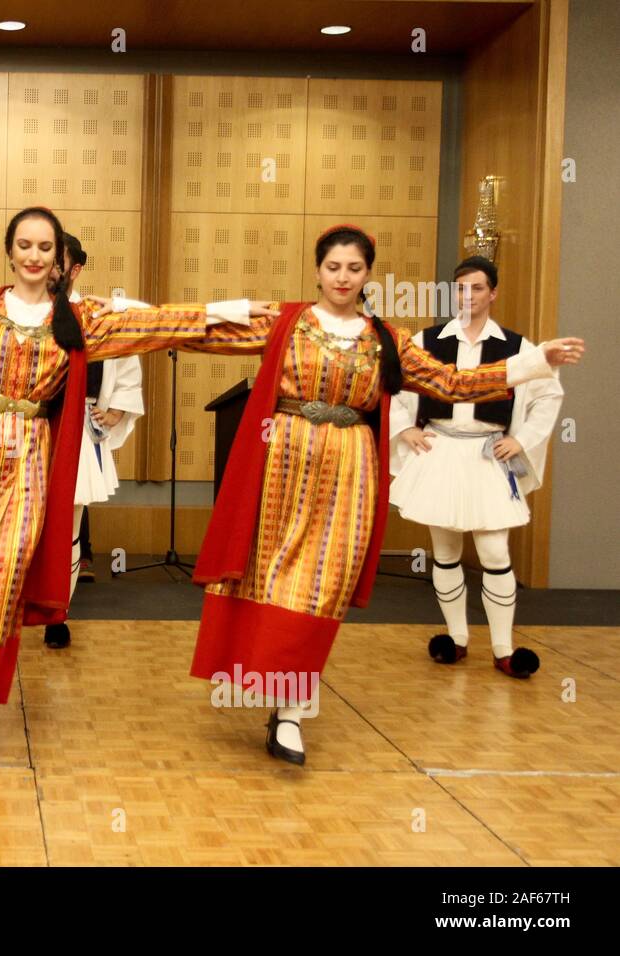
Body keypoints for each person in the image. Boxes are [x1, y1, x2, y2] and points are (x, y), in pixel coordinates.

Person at [0, 206, 268, 753]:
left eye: (46, 248)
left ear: (60, 259)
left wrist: (229, 311)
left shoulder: (81, 318)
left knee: (4, 569)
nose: (35, 256)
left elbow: (159, 323)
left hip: (31, 454)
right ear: (9, 252)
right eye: (25, 245)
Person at [187, 225, 585, 766]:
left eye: (354, 269)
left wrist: (537, 360)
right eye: (333, 268)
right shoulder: (286, 323)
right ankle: (271, 688)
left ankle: (293, 712)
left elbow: (453, 384)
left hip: (349, 470)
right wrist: (101, 317)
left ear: (367, 273)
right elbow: (193, 331)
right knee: (271, 575)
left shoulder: (387, 340)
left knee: (321, 586)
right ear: (317, 270)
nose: (343, 278)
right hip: (279, 462)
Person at [389, 256, 564, 678]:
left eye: (478, 288)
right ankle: (456, 639)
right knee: (445, 552)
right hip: (441, 451)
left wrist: (520, 440)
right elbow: (393, 388)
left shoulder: (517, 347)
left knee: (493, 550)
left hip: (488, 455)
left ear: (493, 293)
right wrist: (404, 429)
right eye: (461, 289)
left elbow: (547, 395)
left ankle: (504, 648)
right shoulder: (426, 341)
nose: (468, 296)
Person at [43, 232, 144, 649]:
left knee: (70, 521)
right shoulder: (19, 311)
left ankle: (56, 612)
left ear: (75, 268)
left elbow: (129, 356)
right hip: (27, 430)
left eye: (56, 259)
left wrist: (117, 408)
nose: (47, 267)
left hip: (78, 429)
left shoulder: (98, 314)